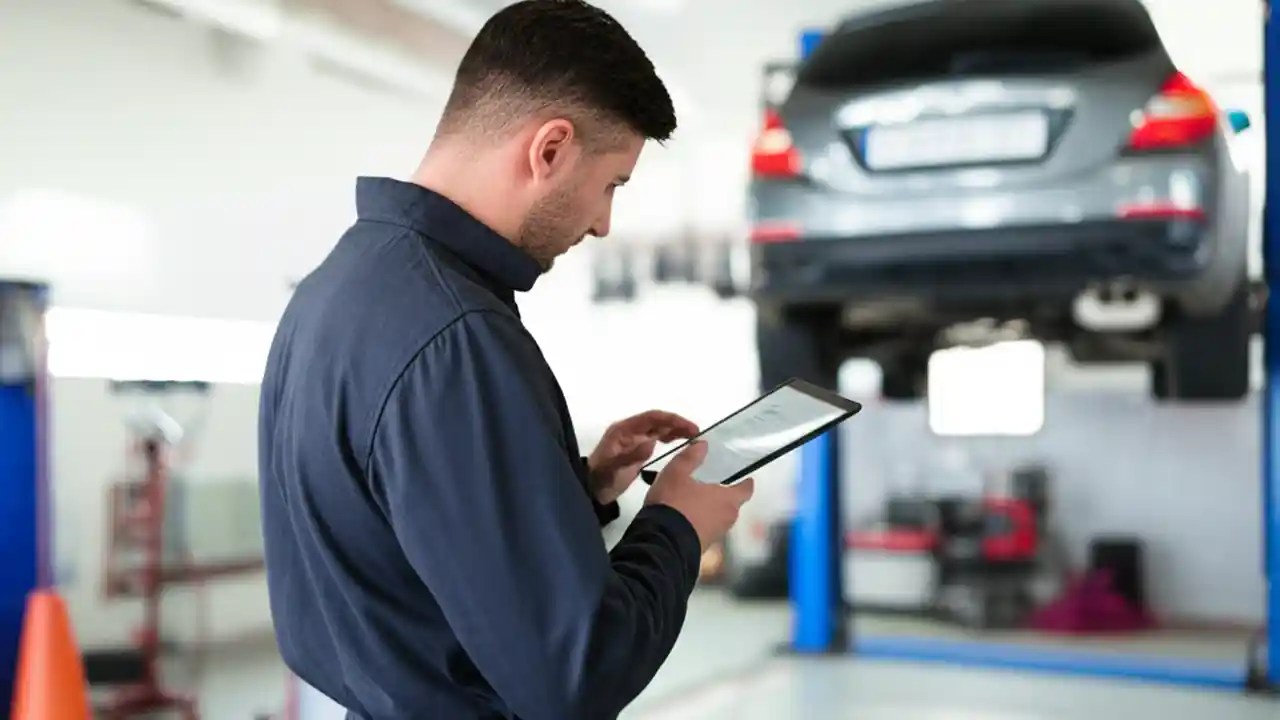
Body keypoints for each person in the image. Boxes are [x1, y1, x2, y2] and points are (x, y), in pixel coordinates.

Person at [257, 2, 756, 718]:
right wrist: (679, 522)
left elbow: (407, 532)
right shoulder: (456, 336)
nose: (602, 222)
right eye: (612, 183)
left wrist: (577, 488)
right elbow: (576, 676)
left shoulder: (337, 286)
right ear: (549, 149)